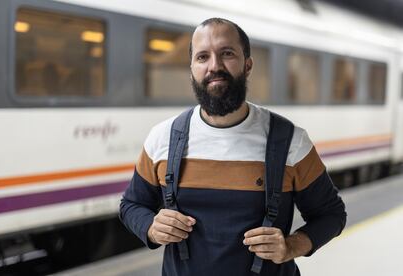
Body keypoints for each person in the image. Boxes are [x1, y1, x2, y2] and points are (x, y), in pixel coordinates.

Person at [119, 18, 346, 276]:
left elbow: (331, 214)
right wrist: (150, 226)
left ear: (247, 65)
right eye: (203, 57)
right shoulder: (163, 138)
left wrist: (292, 246)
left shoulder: (291, 141)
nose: (214, 66)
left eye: (227, 54)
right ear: (192, 69)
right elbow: (131, 205)